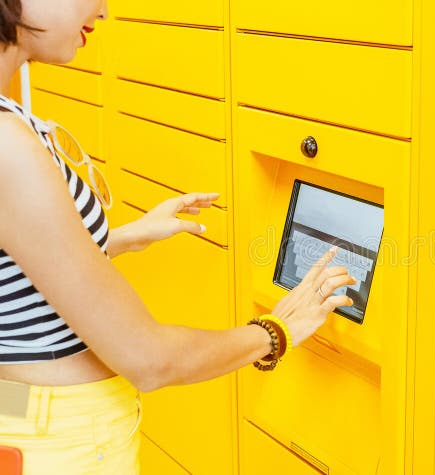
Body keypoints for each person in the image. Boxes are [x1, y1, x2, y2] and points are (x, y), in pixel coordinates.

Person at [0, 1, 356, 473]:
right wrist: (276, 331)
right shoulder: (8, 147)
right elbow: (148, 360)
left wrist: (119, 237)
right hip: (60, 447)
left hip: (24, 417)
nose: (104, 10)